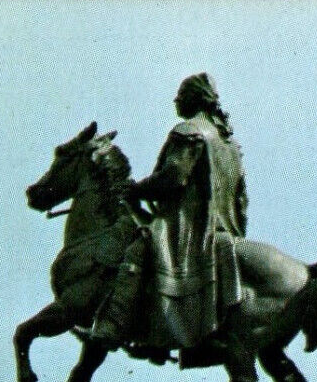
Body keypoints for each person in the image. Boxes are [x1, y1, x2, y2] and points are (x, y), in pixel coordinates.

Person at [83, 73, 249, 354]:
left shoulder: (189, 131)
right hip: (225, 228)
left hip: (189, 226)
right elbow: (242, 199)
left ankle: (113, 325)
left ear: (193, 99)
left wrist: (135, 190)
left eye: (181, 95)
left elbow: (174, 177)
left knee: (138, 249)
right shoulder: (230, 145)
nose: (176, 100)